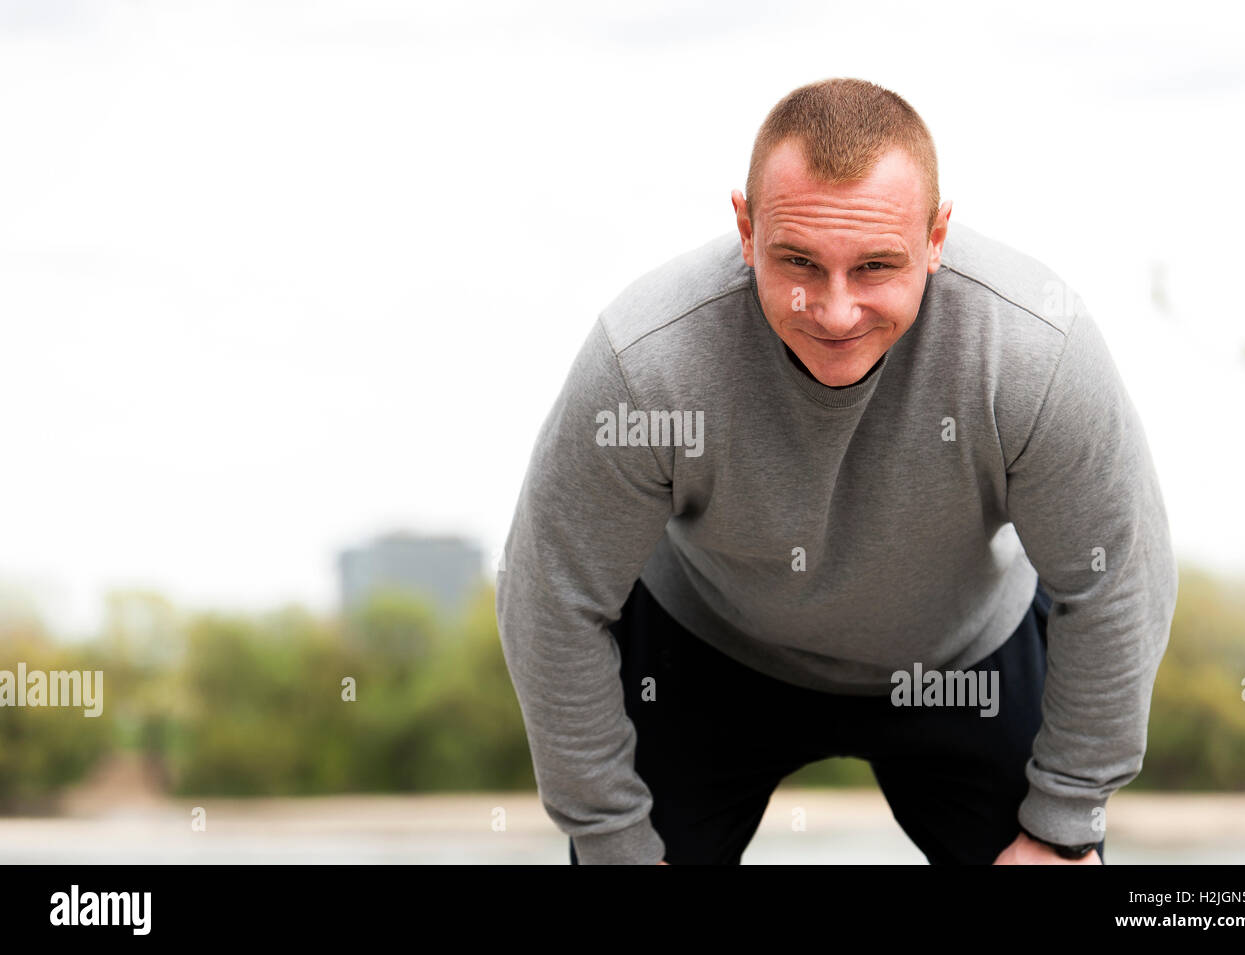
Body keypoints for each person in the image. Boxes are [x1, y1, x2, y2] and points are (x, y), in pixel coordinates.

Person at [495, 77, 1178, 865]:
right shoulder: (648, 363)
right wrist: (614, 842)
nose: (836, 310)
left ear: (937, 237)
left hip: (959, 662)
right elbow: (550, 597)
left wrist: (1064, 824)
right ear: (746, 229)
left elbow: (1120, 578)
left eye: (877, 265)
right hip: (706, 653)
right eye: (799, 262)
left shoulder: (1032, 351)